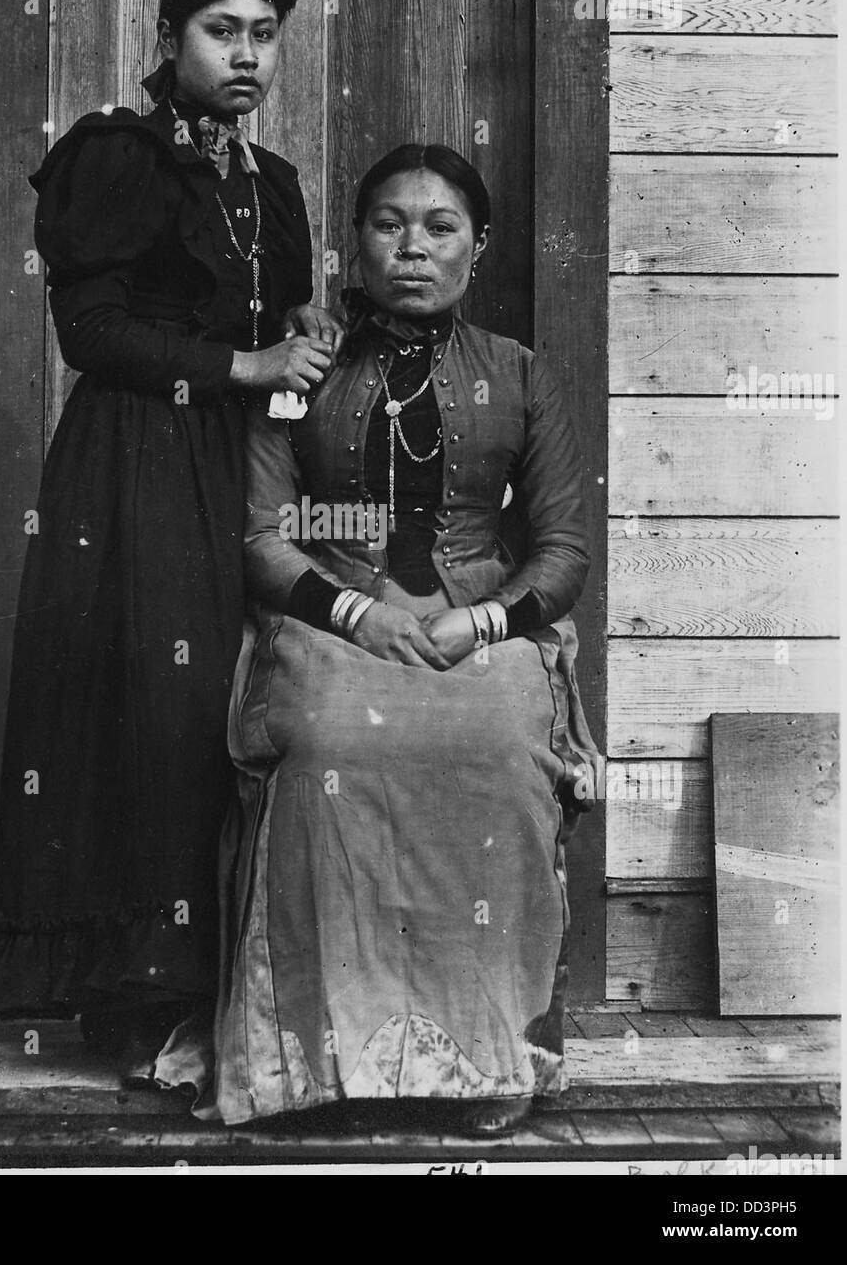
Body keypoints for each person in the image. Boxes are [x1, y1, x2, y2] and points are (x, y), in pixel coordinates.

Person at [163, 144, 601, 1133]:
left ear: (475, 247)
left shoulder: (519, 374)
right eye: (387, 224)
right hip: (331, 612)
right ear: (351, 244)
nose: (412, 248)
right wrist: (357, 612)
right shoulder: (299, 367)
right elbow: (260, 534)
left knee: (495, 749)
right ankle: (307, 1065)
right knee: (330, 745)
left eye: (439, 227)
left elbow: (565, 548)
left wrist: (482, 619)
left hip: (474, 622)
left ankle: (486, 1060)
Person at [0, 0, 343, 1083]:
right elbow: (89, 334)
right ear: (167, 40)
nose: (245, 55)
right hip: (131, 458)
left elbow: (277, 330)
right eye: (220, 31)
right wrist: (249, 365)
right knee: (153, 704)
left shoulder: (266, 181)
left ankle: (220, 992)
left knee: (239, 699)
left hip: (237, 459)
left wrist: (306, 354)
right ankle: (137, 1010)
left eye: (263, 34)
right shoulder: (116, 155)